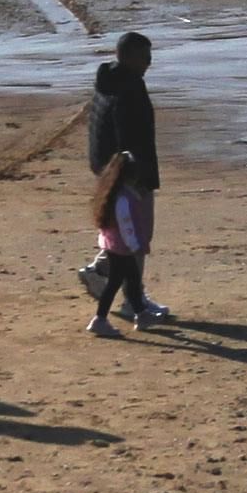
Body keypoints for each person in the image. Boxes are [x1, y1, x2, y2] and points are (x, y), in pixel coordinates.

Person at [78, 32, 168, 334]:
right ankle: (133, 300)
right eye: (145, 57)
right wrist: (135, 174)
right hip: (126, 173)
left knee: (120, 235)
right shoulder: (128, 88)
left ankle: (101, 273)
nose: (149, 63)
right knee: (135, 239)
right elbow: (130, 135)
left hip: (110, 170)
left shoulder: (109, 82)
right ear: (128, 57)